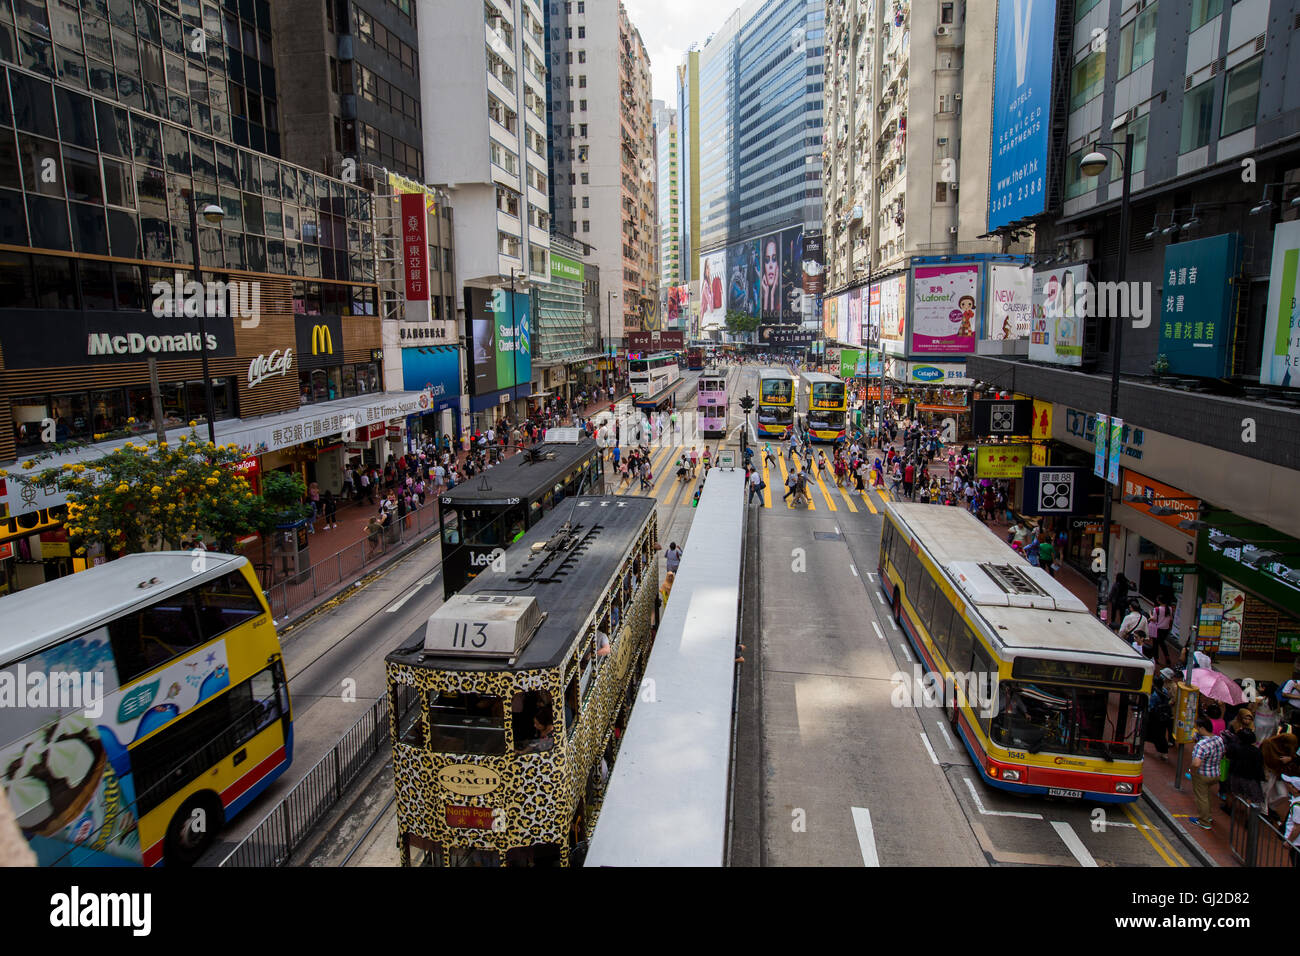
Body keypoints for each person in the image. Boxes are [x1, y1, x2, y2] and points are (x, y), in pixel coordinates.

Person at [1189, 716, 1225, 831]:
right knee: (1206, 795)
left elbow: (1196, 763)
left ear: (1202, 728)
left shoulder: (1202, 745)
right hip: (1215, 774)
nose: (1197, 730)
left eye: (1198, 728)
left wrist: (1192, 772)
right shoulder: (1219, 739)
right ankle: (1208, 816)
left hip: (1203, 775)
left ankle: (1204, 821)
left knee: (1201, 798)